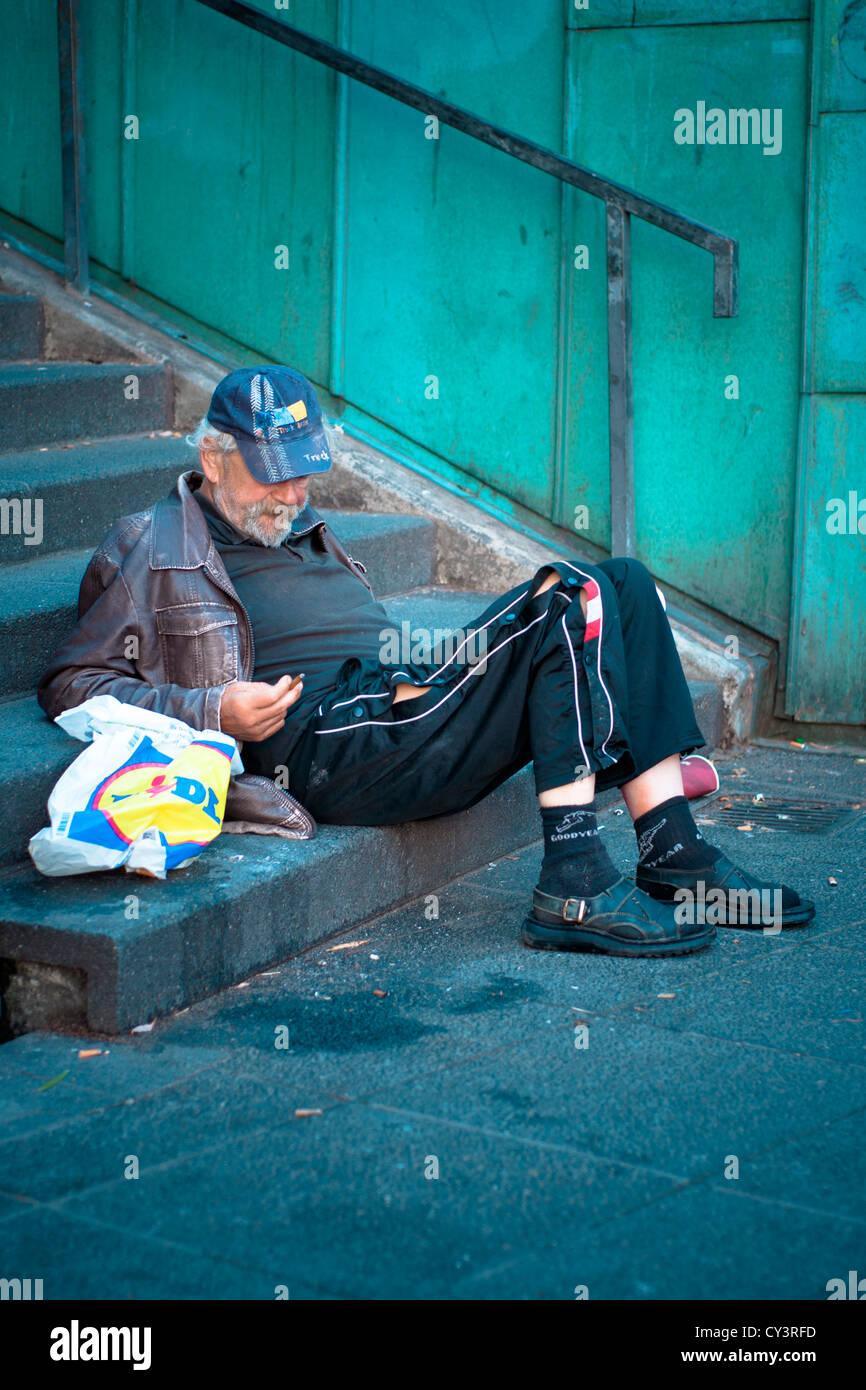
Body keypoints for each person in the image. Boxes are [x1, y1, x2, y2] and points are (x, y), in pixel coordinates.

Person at [39, 365, 815, 955]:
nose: (296, 489)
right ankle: (573, 882)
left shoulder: (301, 528)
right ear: (213, 458)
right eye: (275, 471)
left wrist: (417, 673)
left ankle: (674, 853)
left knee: (628, 585)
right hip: (318, 745)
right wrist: (216, 712)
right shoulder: (149, 544)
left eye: (306, 467)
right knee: (559, 600)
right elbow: (75, 684)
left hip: (395, 703)